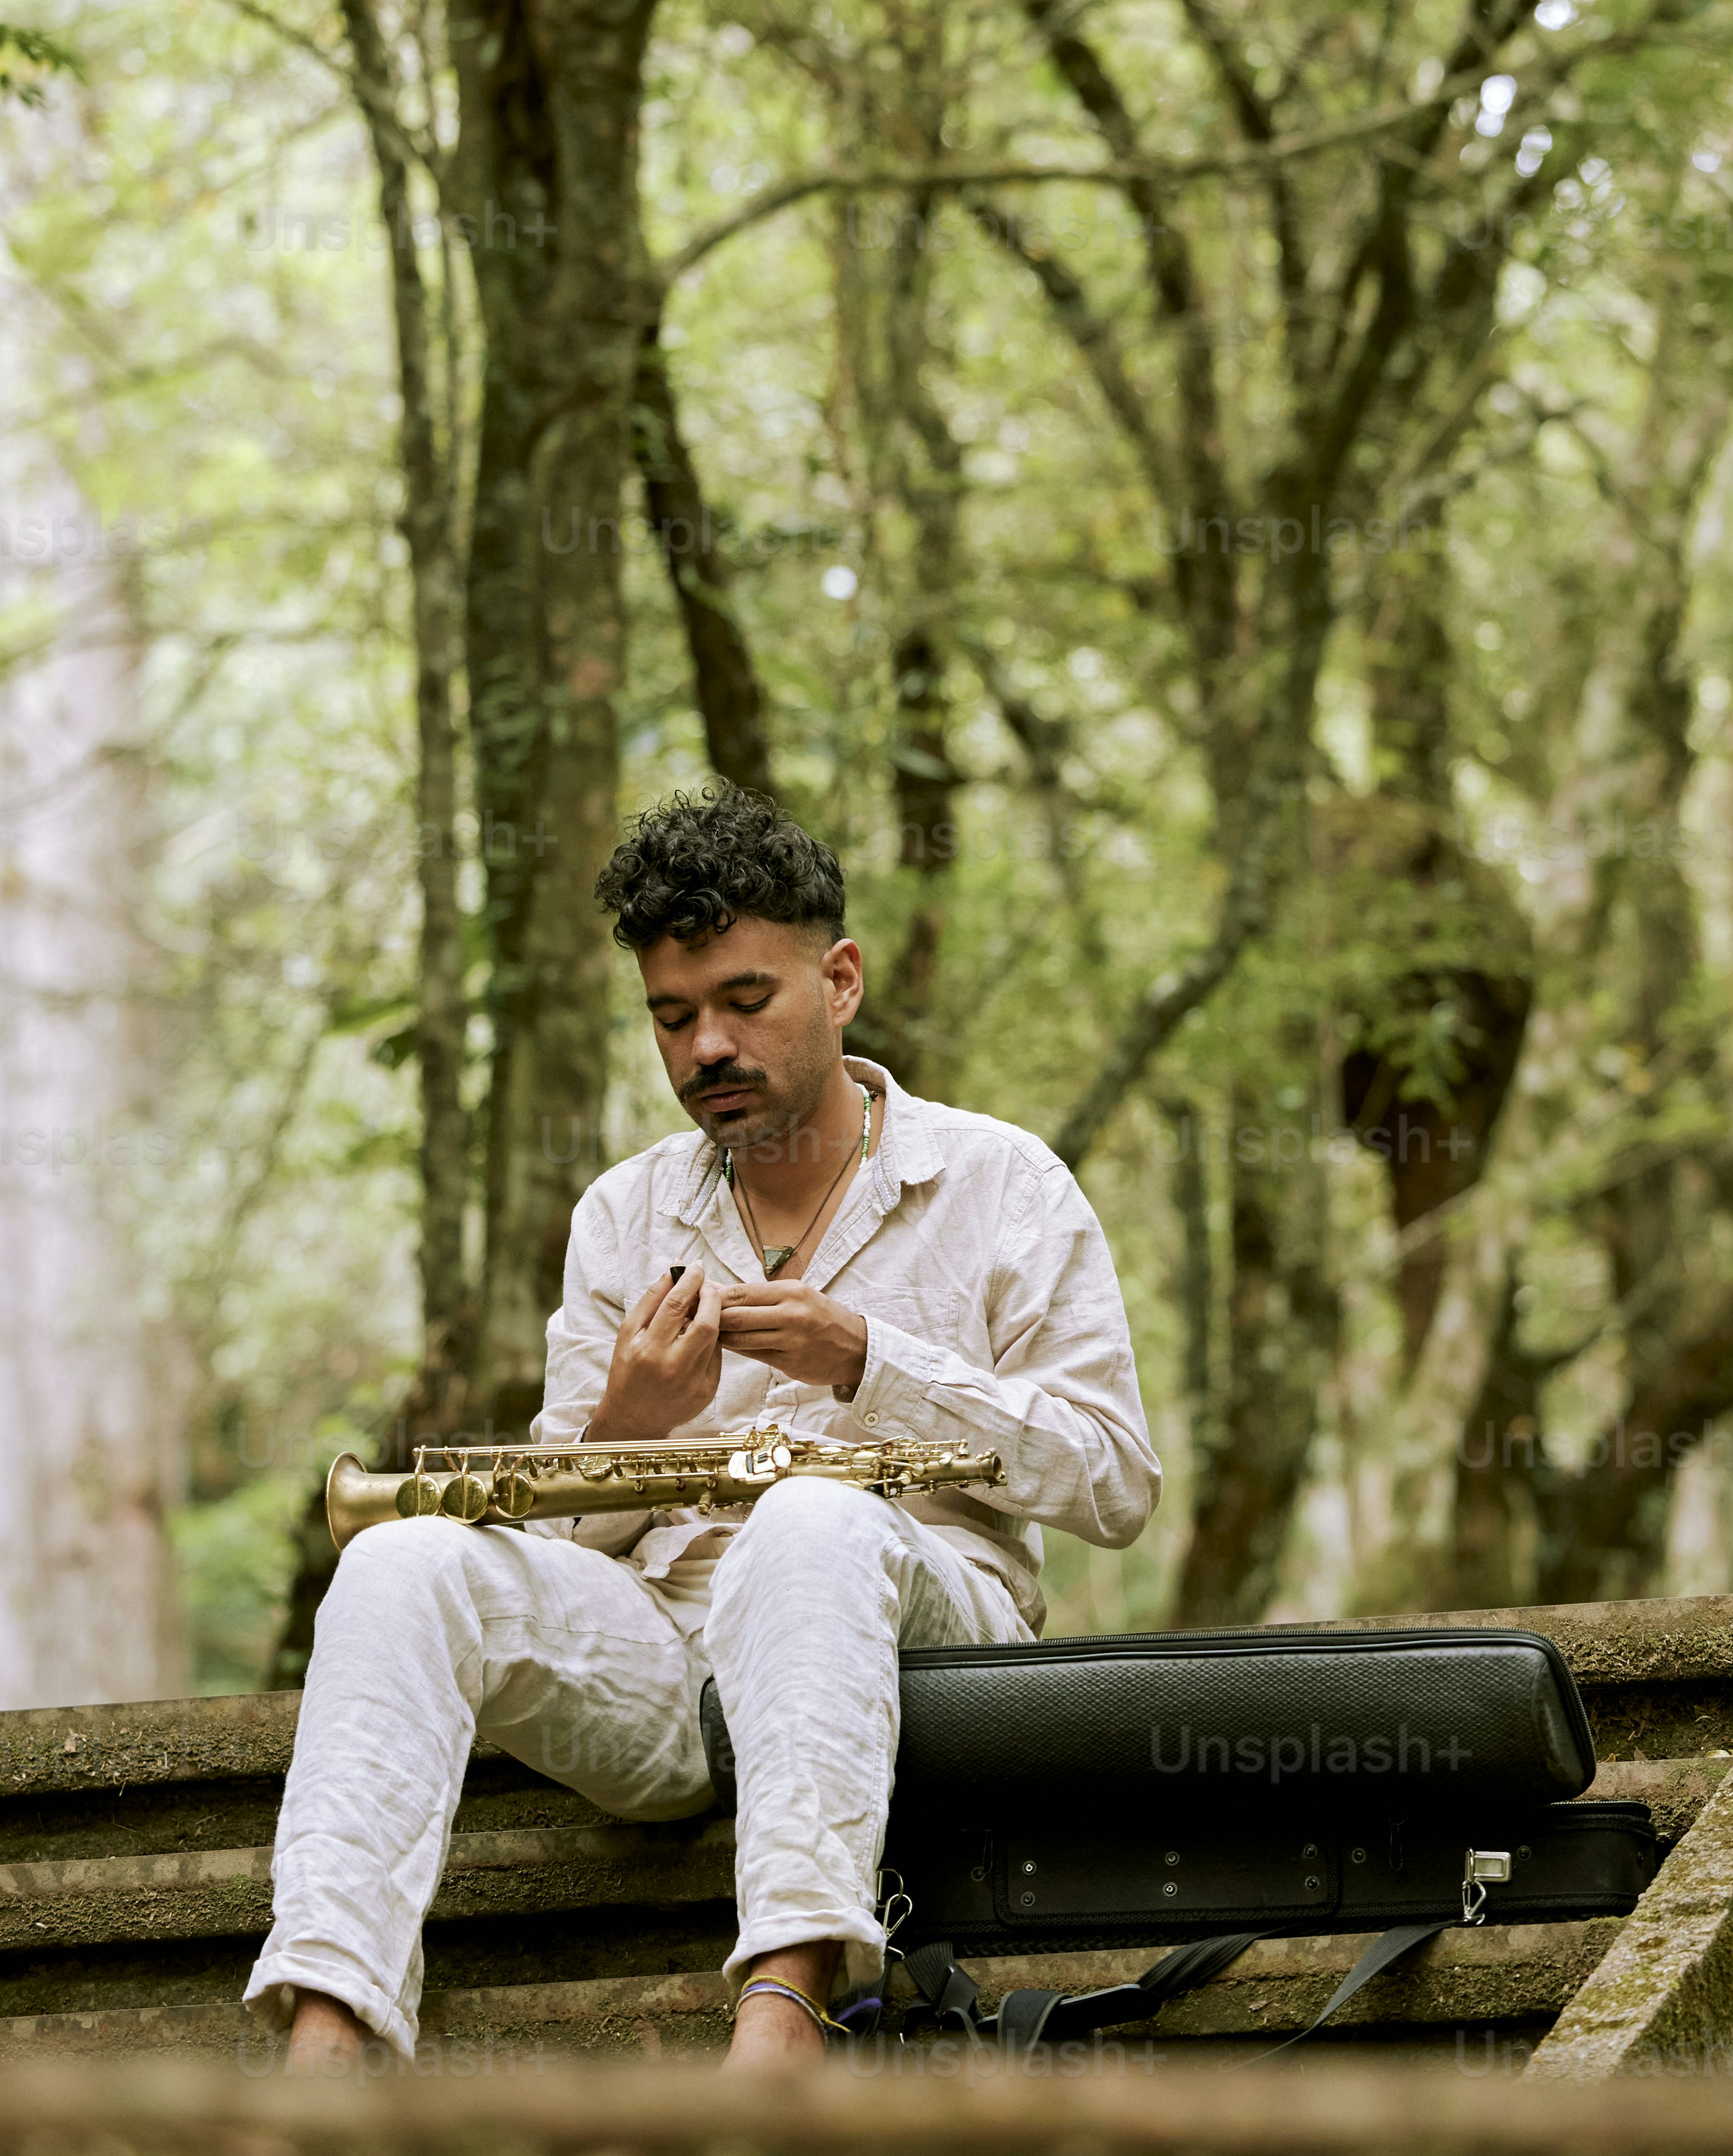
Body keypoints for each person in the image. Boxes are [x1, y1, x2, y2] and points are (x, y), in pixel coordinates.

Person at [244, 783, 1160, 2074]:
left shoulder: (1003, 1182)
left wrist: (871, 1360)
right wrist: (625, 1423)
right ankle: (329, 2039)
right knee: (398, 1556)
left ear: (839, 979)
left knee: (812, 1515)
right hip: (668, 1663)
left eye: (745, 999)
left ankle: (786, 2012)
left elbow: (1118, 1482)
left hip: (925, 1656)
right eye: (672, 1017)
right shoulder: (624, 1214)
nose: (705, 1047)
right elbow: (581, 1528)